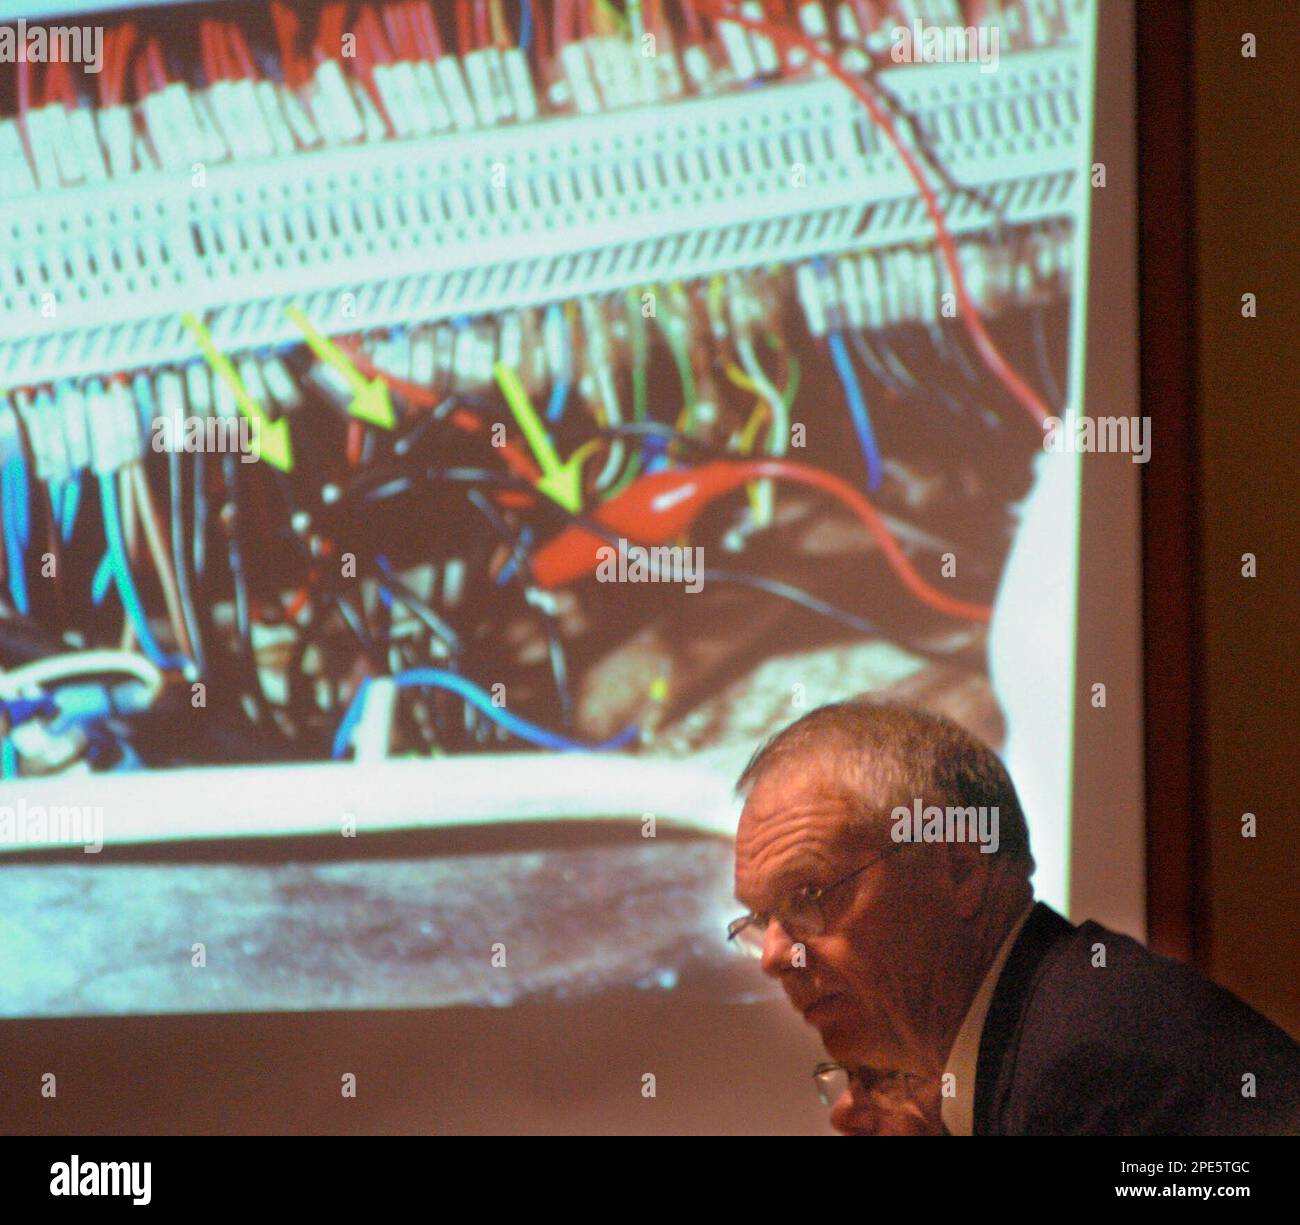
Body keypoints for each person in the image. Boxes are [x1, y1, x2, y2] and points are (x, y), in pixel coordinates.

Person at [730, 699, 1300, 1135]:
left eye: (807, 895)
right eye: (760, 919)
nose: (774, 956)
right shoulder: (1038, 1030)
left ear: (958, 870)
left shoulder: (1089, 1064)